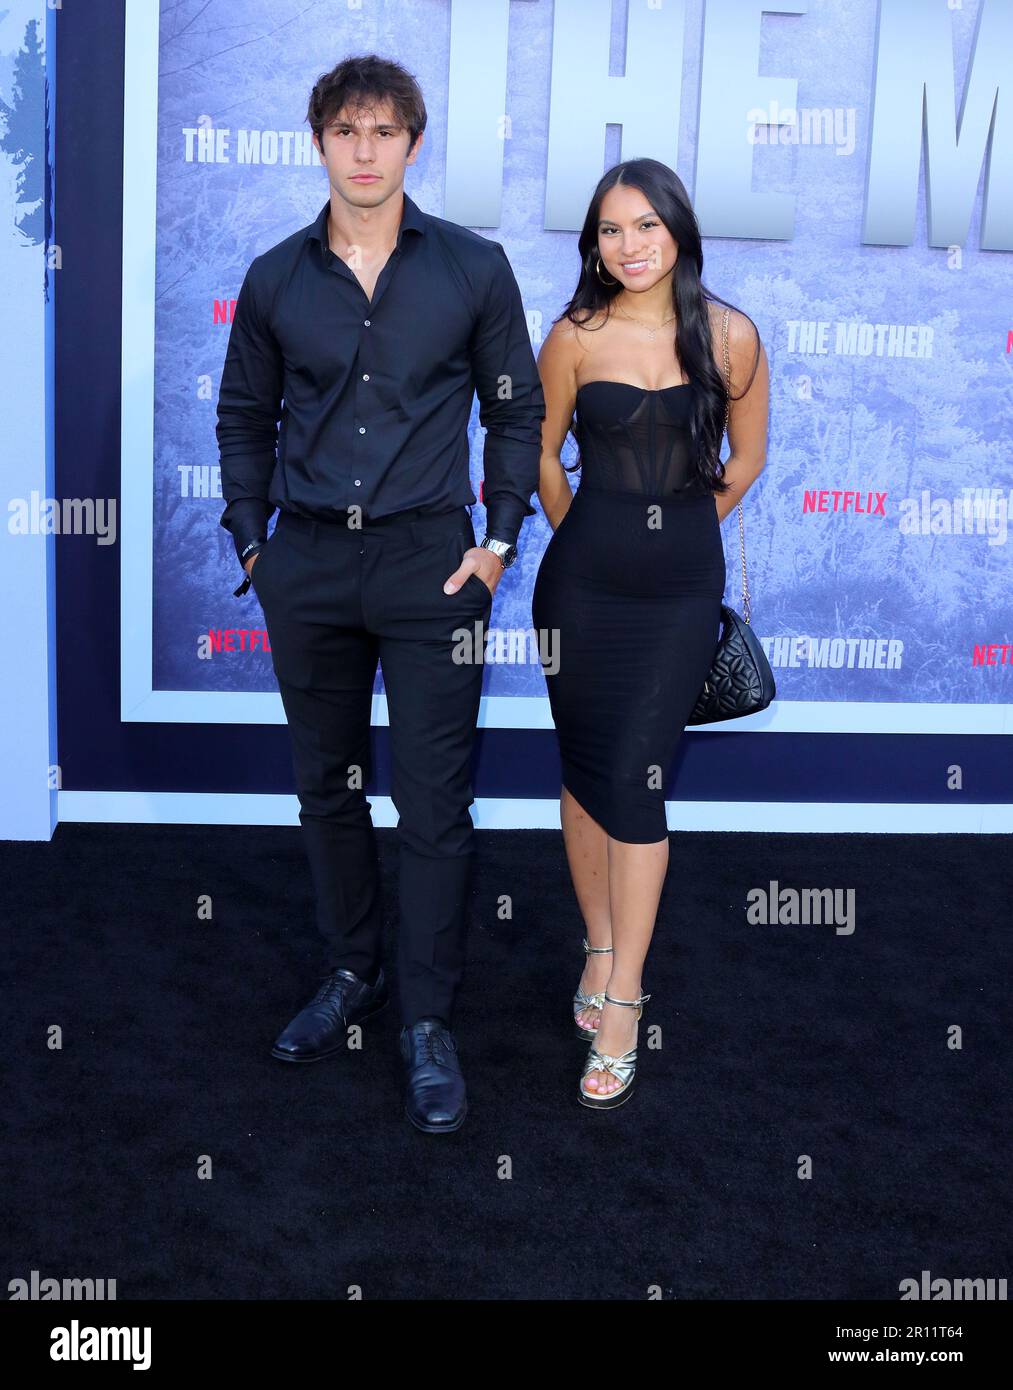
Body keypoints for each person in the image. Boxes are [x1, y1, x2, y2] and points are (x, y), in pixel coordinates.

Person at [216, 55, 544, 1133]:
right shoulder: (273, 278)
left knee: (435, 803)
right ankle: (352, 975)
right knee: (327, 787)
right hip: (304, 566)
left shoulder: (471, 266)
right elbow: (241, 418)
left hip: (428, 567)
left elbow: (513, 413)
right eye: (345, 131)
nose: (364, 151)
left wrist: (495, 543)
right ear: (319, 141)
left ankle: (426, 1020)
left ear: (413, 144)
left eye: (384, 131)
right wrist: (254, 549)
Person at [531, 158, 769, 1109]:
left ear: (678, 229)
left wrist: (679, 538)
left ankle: (625, 996)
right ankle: (596, 946)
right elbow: (543, 456)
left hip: (677, 599)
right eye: (609, 231)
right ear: (593, 244)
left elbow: (747, 457)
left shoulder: (730, 335)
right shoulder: (573, 337)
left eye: (645, 226)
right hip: (581, 592)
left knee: (637, 780)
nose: (628, 247)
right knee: (586, 773)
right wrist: (584, 542)